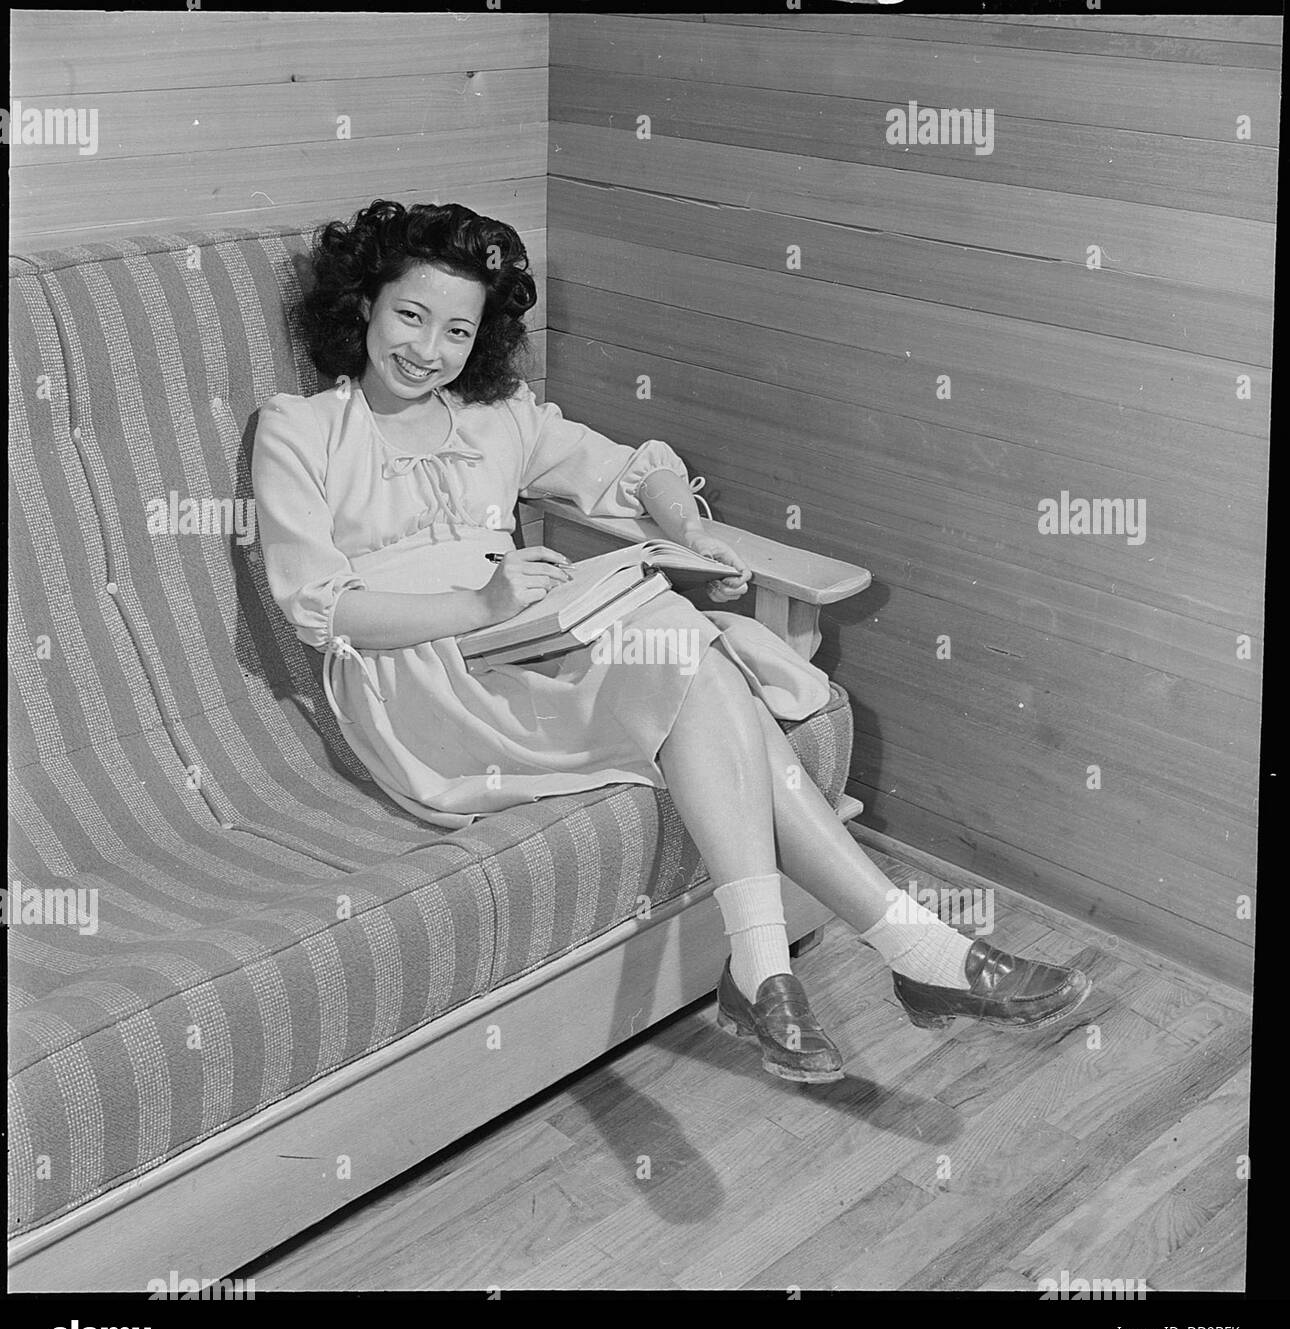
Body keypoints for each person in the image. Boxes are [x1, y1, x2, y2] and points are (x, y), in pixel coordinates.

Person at [252, 199, 1091, 1087]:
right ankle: (912, 957)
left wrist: (688, 532)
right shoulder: (302, 430)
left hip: (529, 640)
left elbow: (630, 468)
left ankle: (775, 973)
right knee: (694, 654)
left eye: (456, 331)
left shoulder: (499, 420)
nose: (427, 350)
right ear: (364, 306)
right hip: (416, 679)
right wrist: (477, 600)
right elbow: (323, 609)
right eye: (410, 316)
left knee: (679, 643)